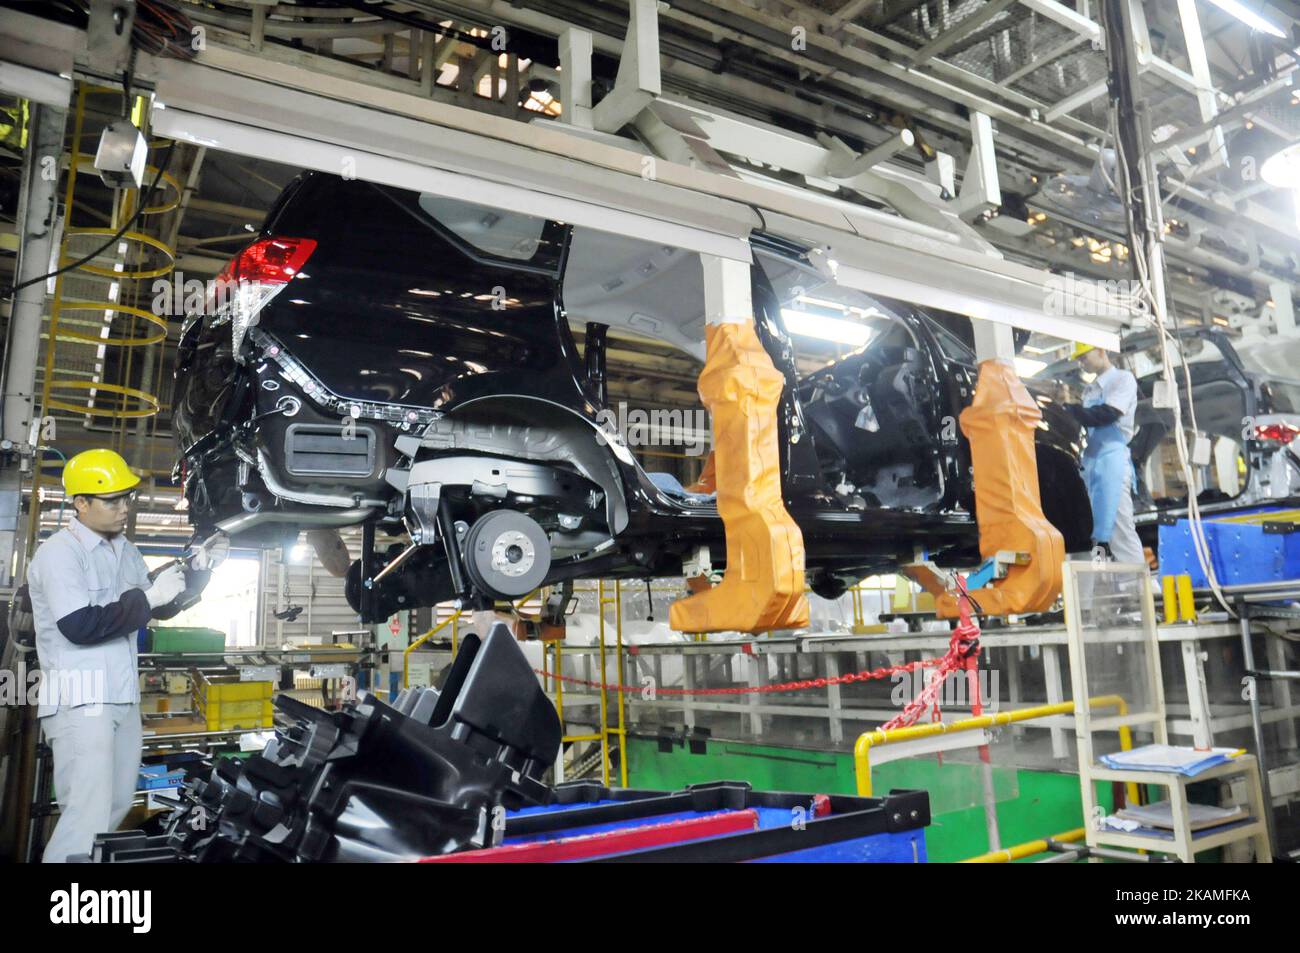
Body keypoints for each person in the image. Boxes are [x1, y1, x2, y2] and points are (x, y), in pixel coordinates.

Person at [25, 449, 221, 862]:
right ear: (81, 503)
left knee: (115, 804)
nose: (123, 508)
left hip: (120, 697)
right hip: (81, 698)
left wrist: (198, 572)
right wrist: (150, 597)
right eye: (112, 500)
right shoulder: (60, 553)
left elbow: (156, 605)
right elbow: (79, 625)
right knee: (86, 813)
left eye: (126, 498)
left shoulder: (124, 550)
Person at [1058, 344, 1145, 565]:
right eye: (1078, 360)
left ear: (1101, 351)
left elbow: (1107, 414)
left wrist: (1072, 411)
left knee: (1119, 530)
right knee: (1089, 531)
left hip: (1112, 463)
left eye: (1084, 357)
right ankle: (1090, 593)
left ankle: (1140, 590)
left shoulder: (1123, 379)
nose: (1081, 363)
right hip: (1091, 464)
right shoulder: (1089, 390)